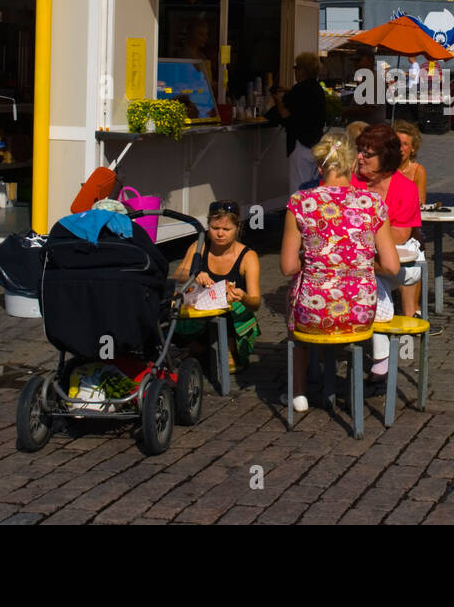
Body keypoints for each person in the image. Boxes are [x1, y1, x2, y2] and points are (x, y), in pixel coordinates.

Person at [281, 134, 399, 416]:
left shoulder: (301, 202)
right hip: (358, 312)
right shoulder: (372, 202)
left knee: (298, 296)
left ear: (320, 168)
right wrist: (361, 266)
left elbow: (287, 267)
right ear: (351, 166)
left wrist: (312, 264)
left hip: (314, 312)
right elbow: (393, 266)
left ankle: (298, 392)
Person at [351, 123, 424, 376]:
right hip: (368, 263)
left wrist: (356, 235)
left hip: (395, 262)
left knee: (371, 276)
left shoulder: (405, 188)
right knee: (369, 276)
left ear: (386, 157)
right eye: (359, 151)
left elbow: (400, 234)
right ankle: (381, 357)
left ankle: (380, 354)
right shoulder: (351, 181)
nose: (359, 157)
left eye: (367, 154)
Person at [173, 200, 261, 371]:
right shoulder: (200, 247)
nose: (220, 234)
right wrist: (194, 274)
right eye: (215, 228)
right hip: (201, 312)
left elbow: (255, 302)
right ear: (208, 226)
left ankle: (230, 348)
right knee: (174, 308)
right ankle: (199, 347)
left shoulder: (248, 256)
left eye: (226, 229)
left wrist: (243, 297)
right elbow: (178, 273)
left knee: (236, 308)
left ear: (237, 229)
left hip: (230, 316)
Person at [268, 51, 328, 194]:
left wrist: (278, 100)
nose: (295, 71)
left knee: (298, 188)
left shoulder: (300, 89)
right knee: (312, 187)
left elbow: (284, 114)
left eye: (296, 68)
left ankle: (295, 216)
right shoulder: (317, 88)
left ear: (303, 70)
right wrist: (288, 90)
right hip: (315, 142)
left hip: (300, 142)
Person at [392, 119, 428, 205]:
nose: (400, 149)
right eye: (397, 143)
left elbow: (421, 203)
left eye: (405, 144)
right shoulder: (384, 169)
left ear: (413, 148)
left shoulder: (418, 171)